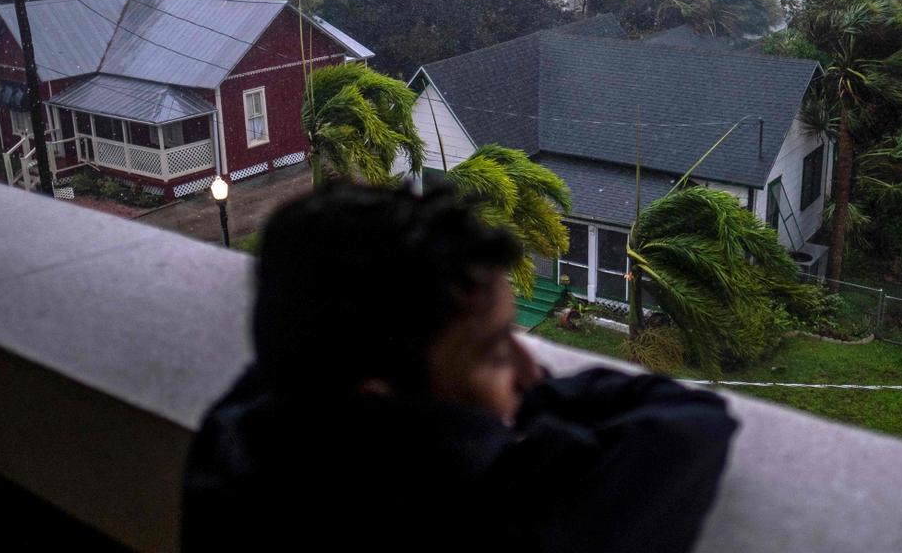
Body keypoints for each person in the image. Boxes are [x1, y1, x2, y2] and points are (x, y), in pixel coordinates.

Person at [182, 183, 738, 552]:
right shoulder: (513, 516)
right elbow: (692, 423)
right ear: (381, 403)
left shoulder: (235, 443)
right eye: (495, 351)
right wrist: (539, 407)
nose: (530, 367)